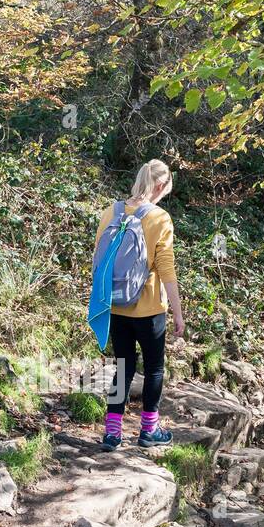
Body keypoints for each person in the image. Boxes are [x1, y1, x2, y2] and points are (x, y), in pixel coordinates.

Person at [96, 159, 186, 450]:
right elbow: (166, 269)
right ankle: (149, 431)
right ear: (160, 185)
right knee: (154, 369)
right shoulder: (159, 218)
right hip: (148, 310)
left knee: (122, 367)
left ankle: (112, 434)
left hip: (116, 305)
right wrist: (178, 313)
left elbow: (99, 260)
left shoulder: (111, 211)